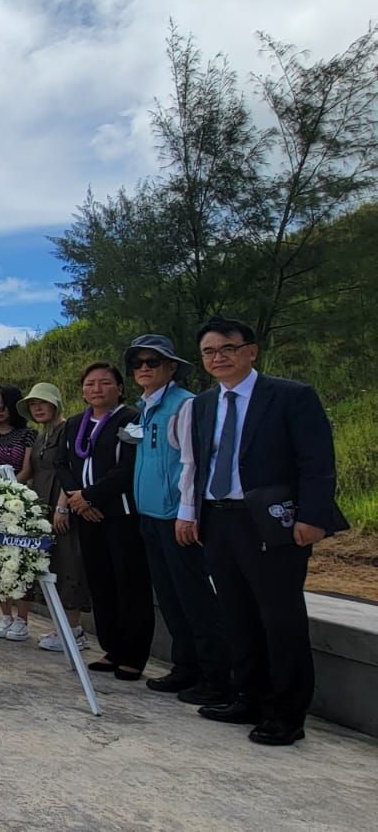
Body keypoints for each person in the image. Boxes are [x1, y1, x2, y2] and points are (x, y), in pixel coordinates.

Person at [179, 317, 345, 746]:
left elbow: (317, 462)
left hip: (273, 521)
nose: (219, 358)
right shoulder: (201, 405)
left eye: (227, 348)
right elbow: (198, 465)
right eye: (209, 352)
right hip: (218, 519)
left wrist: (313, 516)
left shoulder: (291, 396)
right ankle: (247, 697)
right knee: (236, 614)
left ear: (251, 351)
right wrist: (191, 512)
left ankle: (286, 712)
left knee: (279, 616)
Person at [126, 334, 232, 708]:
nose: (143, 369)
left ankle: (216, 677)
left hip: (176, 517)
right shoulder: (146, 407)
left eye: (152, 362)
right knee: (170, 599)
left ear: (171, 367)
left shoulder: (183, 406)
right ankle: (185, 666)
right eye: (138, 363)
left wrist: (187, 512)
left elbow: (191, 463)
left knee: (195, 599)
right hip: (150, 515)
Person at [55, 362, 150, 682]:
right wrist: (77, 498)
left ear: (120, 388)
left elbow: (129, 466)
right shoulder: (74, 424)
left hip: (120, 513)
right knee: (101, 583)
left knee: (129, 584)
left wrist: (92, 496)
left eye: (104, 383)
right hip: (87, 514)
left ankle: (133, 655)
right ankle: (112, 648)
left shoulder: (132, 419)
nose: (96, 389)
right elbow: (62, 463)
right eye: (90, 384)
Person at [21, 383, 91, 653]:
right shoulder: (40, 436)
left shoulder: (68, 430)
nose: (37, 408)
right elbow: (29, 471)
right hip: (41, 505)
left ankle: (74, 630)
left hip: (62, 505)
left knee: (69, 564)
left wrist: (63, 505)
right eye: (33, 405)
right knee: (50, 566)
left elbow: (71, 469)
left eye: (42, 403)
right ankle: (61, 627)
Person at [0, 385, 38, 641]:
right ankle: (5, 614)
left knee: (19, 560)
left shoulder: (27, 434)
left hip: (18, 498)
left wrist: (11, 487)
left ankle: (23, 618)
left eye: (4, 405)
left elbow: (28, 468)